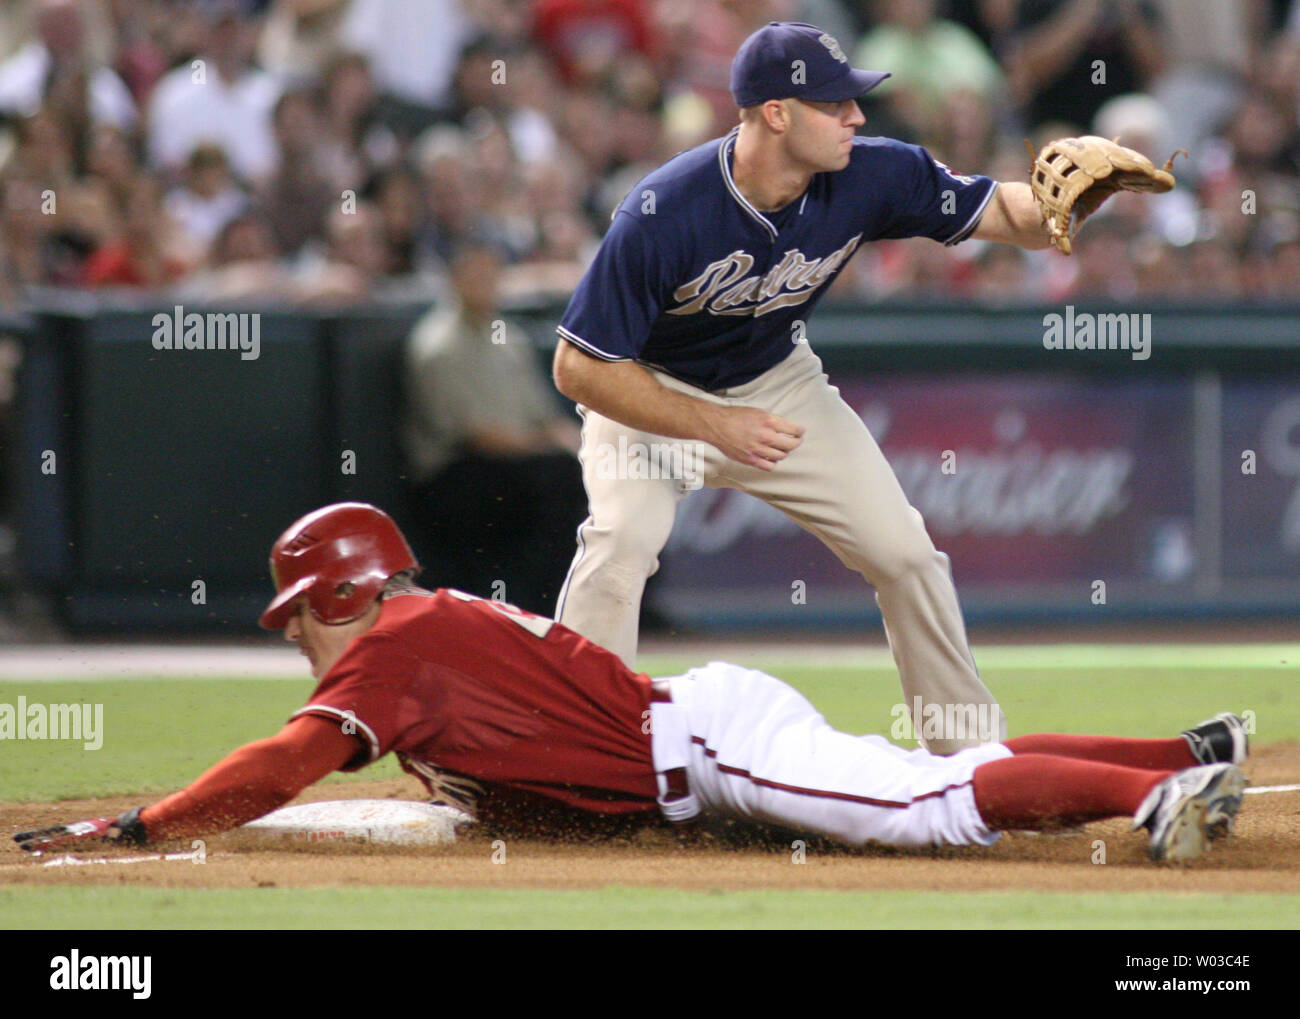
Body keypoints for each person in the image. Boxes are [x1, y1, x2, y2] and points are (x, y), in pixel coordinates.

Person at [15, 502, 1250, 864]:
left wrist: (150, 820)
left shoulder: (392, 642)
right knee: (929, 773)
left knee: (926, 806)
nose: (299, 642)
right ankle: (1182, 755)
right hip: (698, 735)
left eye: (299, 619)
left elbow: (282, 765)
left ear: (344, 594)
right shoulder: (423, 630)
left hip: (705, 743)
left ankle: (1148, 803)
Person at [550, 21, 1073, 754]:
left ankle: (971, 761)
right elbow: (578, 367)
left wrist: (1063, 205)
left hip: (778, 383)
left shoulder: (871, 172)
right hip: (653, 395)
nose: (856, 116)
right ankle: (575, 755)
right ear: (776, 113)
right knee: (618, 546)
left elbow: (1002, 215)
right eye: (834, 104)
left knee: (906, 556)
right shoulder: (663, 210)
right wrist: (709, 424)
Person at [401, 239, 586, 617]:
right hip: (457, 473)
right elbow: (479, 437)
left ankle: (574, 602)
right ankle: (531, 605)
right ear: (455, 280)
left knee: (593, 476)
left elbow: (545, 416)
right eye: (477, 276)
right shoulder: (439, 345)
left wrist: (585, 449)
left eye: (492, 276)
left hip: (520, 460)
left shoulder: (507, 337)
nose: (487, 285)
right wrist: (550, 450)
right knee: (558, 481)